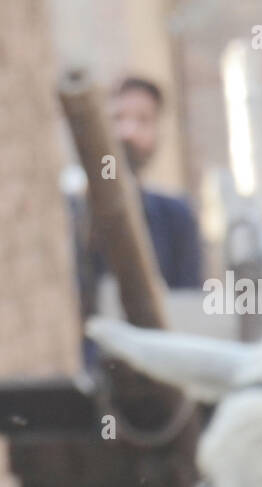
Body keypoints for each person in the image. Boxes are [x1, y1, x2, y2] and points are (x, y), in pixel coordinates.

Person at [74, 76, 202, 363]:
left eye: (143, 120)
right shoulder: (74, 215)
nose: (128, 131)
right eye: (118, 117)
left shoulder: (175, 217)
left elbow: (187, 306)